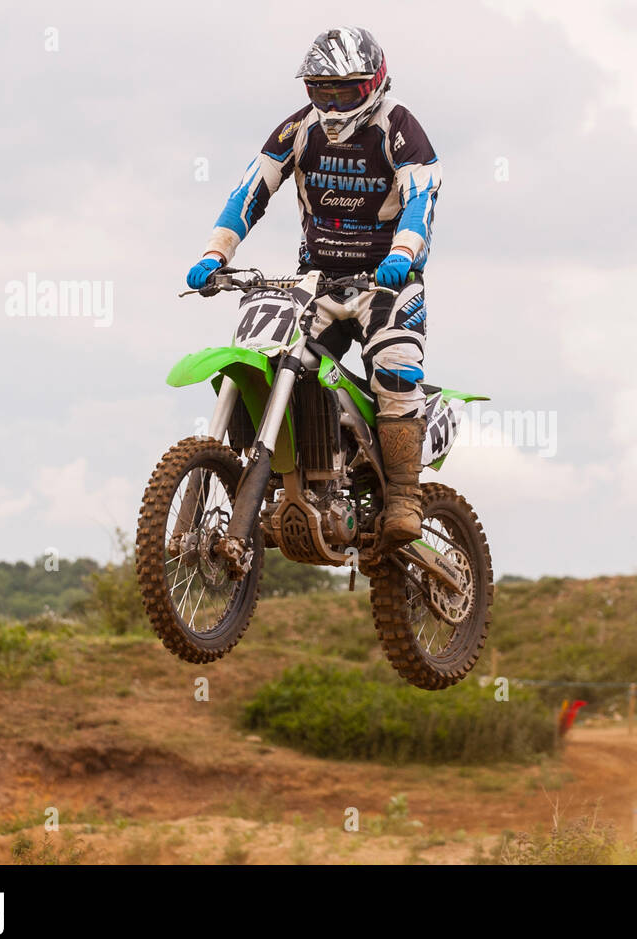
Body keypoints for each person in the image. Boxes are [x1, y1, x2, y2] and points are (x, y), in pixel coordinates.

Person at [185, 26, 441, 549]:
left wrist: (403, 253)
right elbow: (251, 189)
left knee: (394, 370)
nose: (331, 101)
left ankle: (405, 497)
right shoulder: (299, 129)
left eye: (343, 91)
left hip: (386, 281)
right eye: (320, 90)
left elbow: (422, 196)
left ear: (373, 85)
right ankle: (272, 480)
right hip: (317, 281)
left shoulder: (399, 127)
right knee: (274, 358)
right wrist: (216, 253)